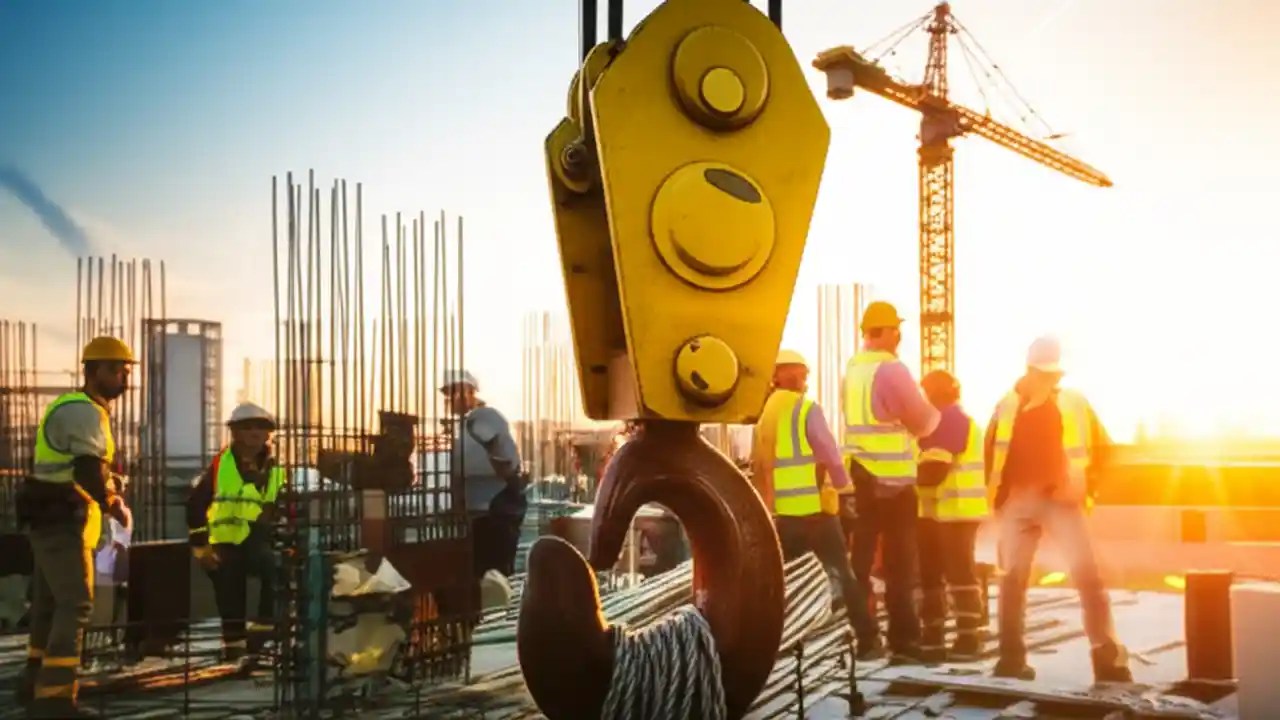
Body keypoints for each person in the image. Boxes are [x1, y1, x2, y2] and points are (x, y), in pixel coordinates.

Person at [986, 336, 1132, 682]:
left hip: (1062, 502)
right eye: (1044, 373)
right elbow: (991, 454)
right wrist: (1001, 501)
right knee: (1012, 580)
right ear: (1029, 370)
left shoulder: (1073, 403)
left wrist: (1086, 485)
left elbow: (1105, 449)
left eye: (1054, 375)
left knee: (1088, 577)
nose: (1051, 380)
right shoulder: (1007, 406)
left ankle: (1108, 659)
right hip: (1019, 501)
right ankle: (1010, 660)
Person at [16, 336, 133, 718]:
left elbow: (89, 468)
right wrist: (114, 503)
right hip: (59, 520)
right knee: (76, 603)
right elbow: (87, 469)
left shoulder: (78, 409)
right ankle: (54, 700)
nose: (123, 378)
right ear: (93, 370)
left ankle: (34, 680)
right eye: (117, 370)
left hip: (57, 518)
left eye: (126, 370)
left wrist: (110, 485)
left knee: (50, 603)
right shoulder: (84, 411)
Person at [751, 350, 881, 657]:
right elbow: (829, 453)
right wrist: (845, 489)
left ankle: (787, 647)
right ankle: (868, 640)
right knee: (843, 574)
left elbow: (761, 466)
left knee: (788, 582)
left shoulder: (764, 415)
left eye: (804, 374)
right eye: (798, 373)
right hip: (816, 513)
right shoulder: (805, 408)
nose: (803, 380)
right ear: (780, 375)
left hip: (783, 515)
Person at [840, 301, 940, 664]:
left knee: (861, 562)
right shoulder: (891, 369)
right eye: (896, 329)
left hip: (861, 475)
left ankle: (865, 637)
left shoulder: (853, 369)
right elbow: (924, 421)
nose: (900, 336)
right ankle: (905, 642)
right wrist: (932, 408)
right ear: (883, 331)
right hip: (893, 482)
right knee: (900, 565)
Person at [186, 402, 285, 662]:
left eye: (261, 428)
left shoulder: (276, 470)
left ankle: (263, 633)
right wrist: (200, 547)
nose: (254, 433)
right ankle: (235, 649)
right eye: (247, 428)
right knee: (230, 594)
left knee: (275, 569)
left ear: (268, 434)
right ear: (235, 434)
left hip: (257, 538)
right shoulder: (221, 465)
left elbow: (280, 505)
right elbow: (196, 505)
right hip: (224, 543)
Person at [915, 370, 989, 662]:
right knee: (934, 575)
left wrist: (902, 482)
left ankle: (966, 637)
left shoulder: (951, 419)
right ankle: (938, 637)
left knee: (956, 573)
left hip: (955, 511)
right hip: (940, 512)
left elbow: (935, 470)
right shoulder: (944, 420)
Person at [441, 369, 525, 605]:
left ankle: (495, 623)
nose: (450, 400)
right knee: (481, 580)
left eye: (455, 393)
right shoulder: (463, 427)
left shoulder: (485, 419)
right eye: (447, 395)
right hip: (477, 516)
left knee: (493, 579)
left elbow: (509, 463)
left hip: (493, 514)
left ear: (471, 392)